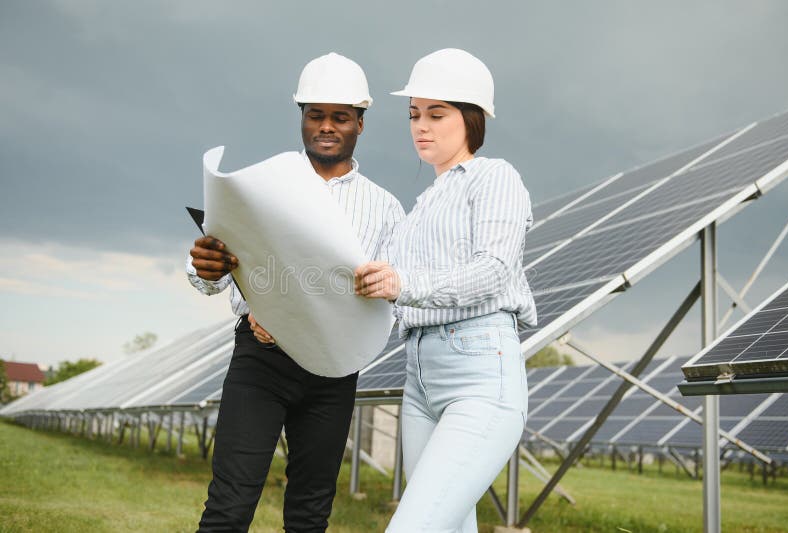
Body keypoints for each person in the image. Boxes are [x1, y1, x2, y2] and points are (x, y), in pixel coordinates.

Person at [188, 52, 405, 532]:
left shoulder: (387, 210)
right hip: (261, 362)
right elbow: (211, 274)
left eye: (340, 117)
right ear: (302, 117)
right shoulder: (262, 187)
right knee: (229, 505)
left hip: (333, 371)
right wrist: (203, 264)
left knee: (310, 512)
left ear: (360, 124)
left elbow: (396, 296)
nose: (326, 126)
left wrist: (387, 287)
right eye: (315, 115)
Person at [354, 48, 536, 533]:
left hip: (479, 372)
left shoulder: (495, 177)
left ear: (472, 120)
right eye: (414, 114)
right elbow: (388, 294)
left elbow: (494, 269)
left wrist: (403, 283)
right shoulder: (416, 211)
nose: (421, 125)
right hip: (418, 381)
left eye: (437, 114)